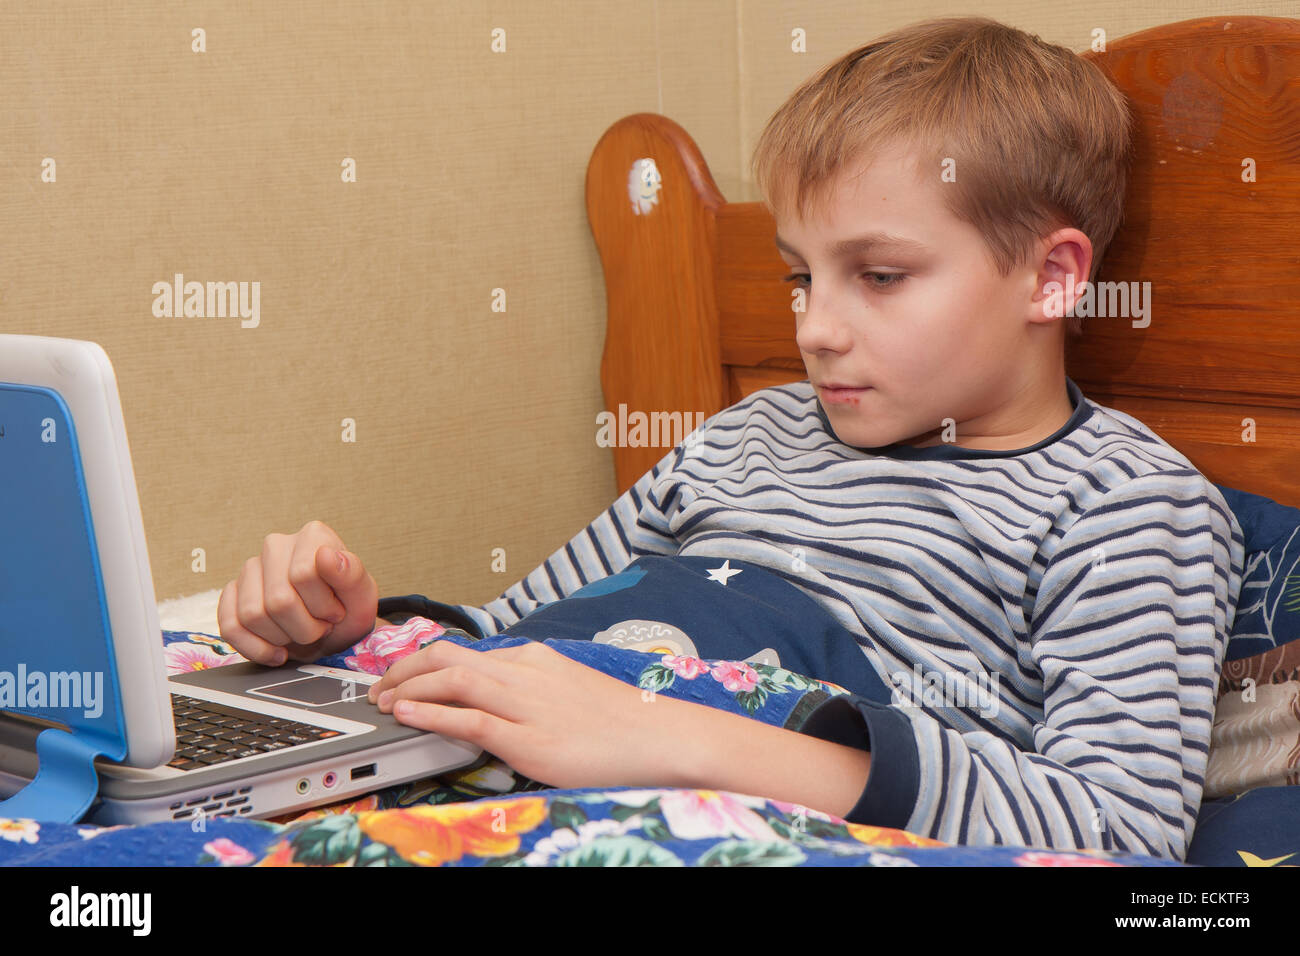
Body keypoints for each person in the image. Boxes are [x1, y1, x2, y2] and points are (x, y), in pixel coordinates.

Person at [217, 15, 1244, 861]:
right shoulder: (747, 434)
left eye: (878, 276)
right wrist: (348, 632)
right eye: (802, 275)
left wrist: (677, 741)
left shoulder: (1123, 502)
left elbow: (1117, 835)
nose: (813, 327)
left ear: (1053, 276)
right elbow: (521, 639)